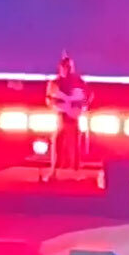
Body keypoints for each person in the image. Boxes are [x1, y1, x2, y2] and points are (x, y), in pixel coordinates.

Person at [44, 52, 89, 182]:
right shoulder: (55, 83)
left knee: (75, 144)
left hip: (74, 118)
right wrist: (61, 106)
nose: (67, 69)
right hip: (61, 117)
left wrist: (78, 109)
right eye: (65, 67)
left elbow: (86, 98)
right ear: (60, 68)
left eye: (69, 67)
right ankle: (54, 171)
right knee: (57, 142)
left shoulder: (79, 82)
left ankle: (77, 172)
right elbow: (49, 99)